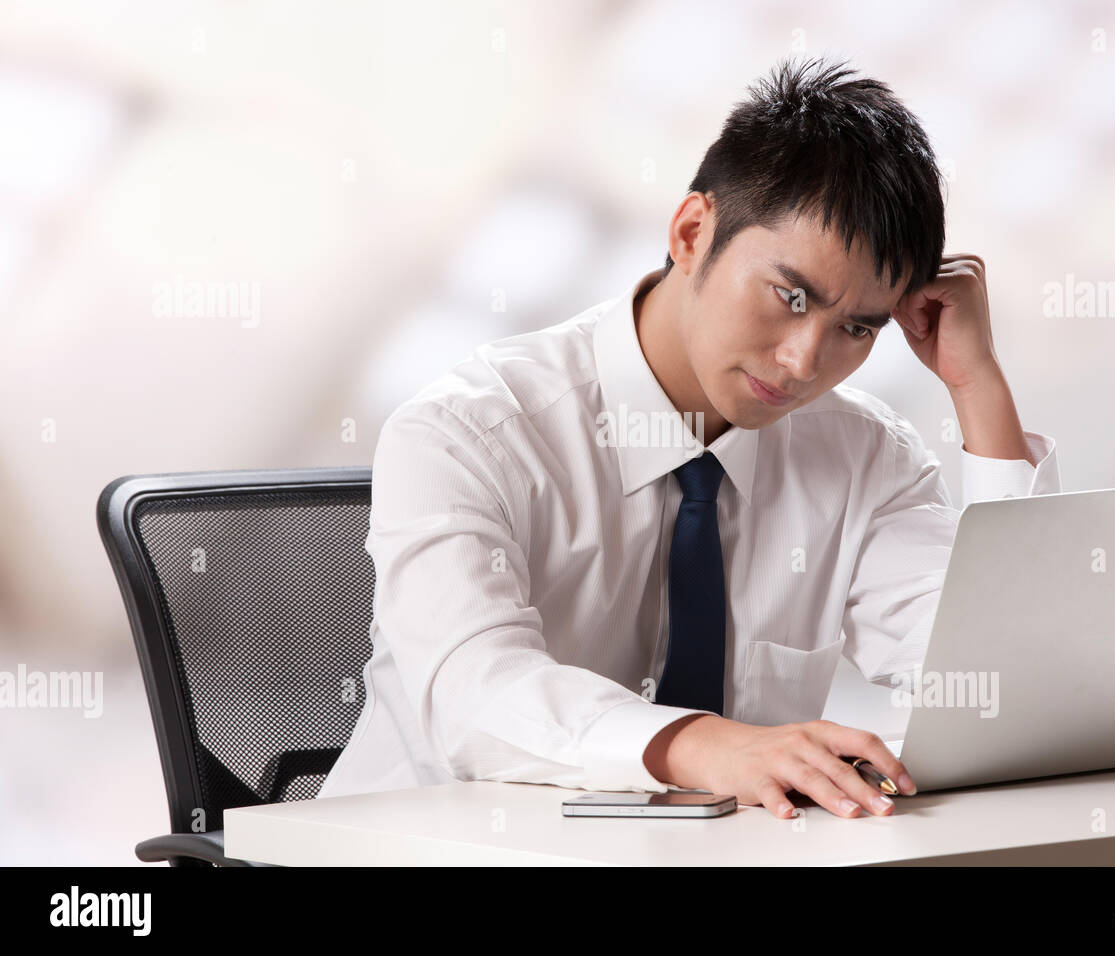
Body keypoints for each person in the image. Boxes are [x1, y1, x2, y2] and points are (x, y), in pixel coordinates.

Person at [318, 55, 1061, 820]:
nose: (806, 360)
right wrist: (705, 745)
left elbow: (1007, 692)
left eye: (857, 327)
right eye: (791, 295)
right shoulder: (467, 433)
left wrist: (979, 390)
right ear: (692, 231)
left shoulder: (866, 459)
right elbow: (476, 698)